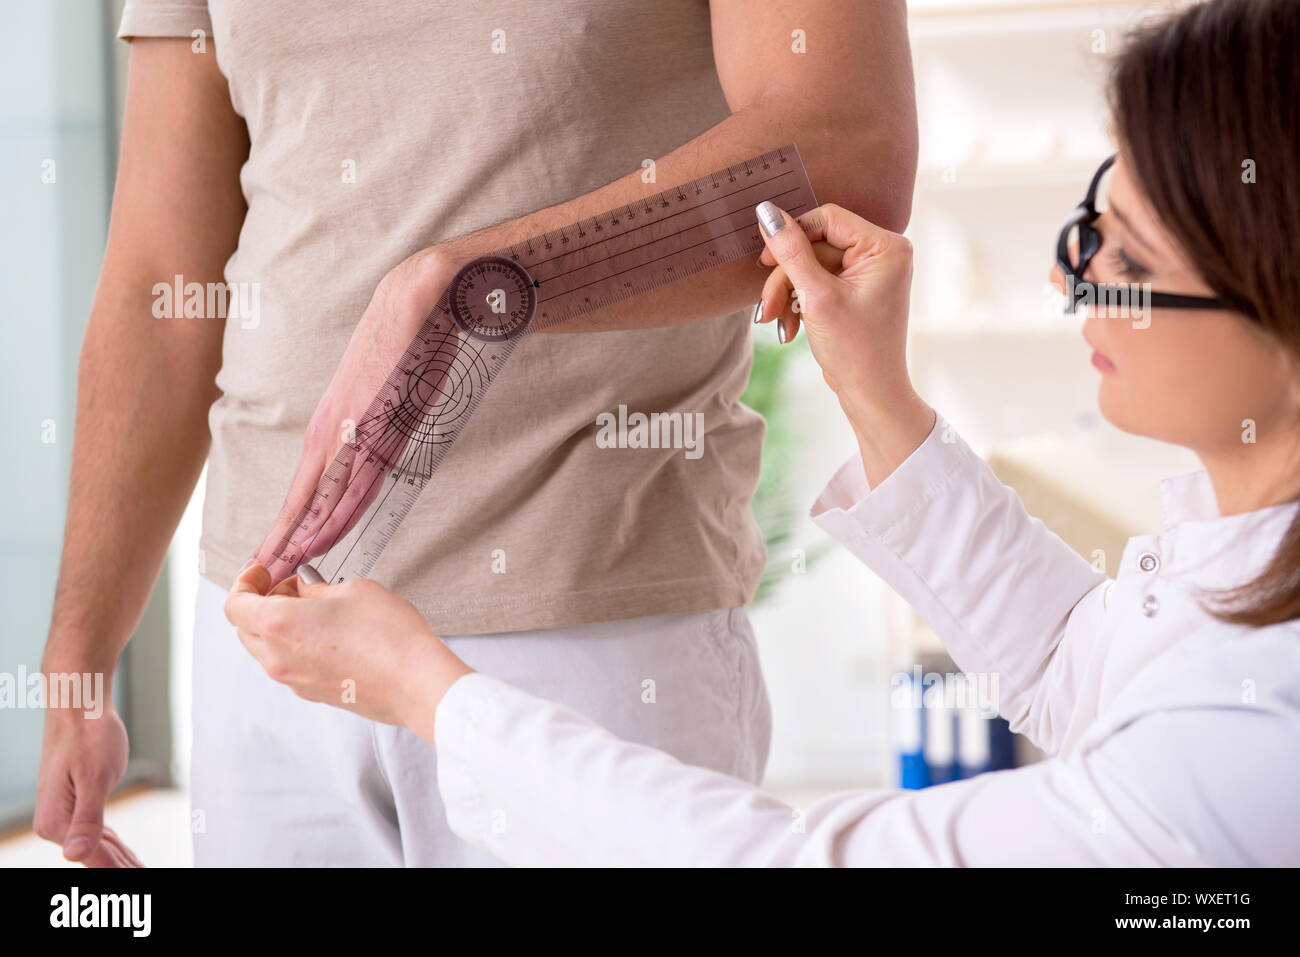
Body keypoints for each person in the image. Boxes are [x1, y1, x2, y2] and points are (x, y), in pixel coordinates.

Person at [226, 0, 1300, 865]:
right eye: (1091, 225)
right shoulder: (1241, 589)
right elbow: (1079, 661)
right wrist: (875, 390)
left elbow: (768, 863)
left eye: (1134, 260)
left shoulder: (1250, 743)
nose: (1081, 287)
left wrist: (430, 693)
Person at [35, 0, 918, 866]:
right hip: (271, 640)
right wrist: (79, 657)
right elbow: (162, 283)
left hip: (591, 629)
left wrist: (484, 286)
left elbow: (843, 149)